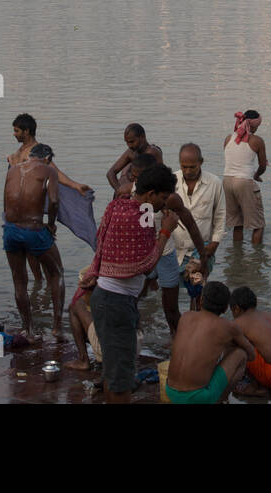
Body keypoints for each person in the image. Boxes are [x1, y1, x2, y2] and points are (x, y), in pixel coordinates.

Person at [78, 164, 178, 403]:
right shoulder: (141, 216)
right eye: (163, 198)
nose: (164, 204)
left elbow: (101, 245)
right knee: (121, 378)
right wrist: (165, 232)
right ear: (151, 194)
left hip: (106, 298)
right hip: (116, 302)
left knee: (113, 372)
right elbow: (146, 264)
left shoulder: (117, 205)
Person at [114, 151, 211, 334]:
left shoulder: (169, 199)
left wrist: (203, 256)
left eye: (139, 177)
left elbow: (190, 225)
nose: (136, 182)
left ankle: (179, 344)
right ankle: (138, 339)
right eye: (133, 177)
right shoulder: (125, 193)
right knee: (132, 302)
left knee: (171, 310)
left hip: (165, 255)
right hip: (140, 256)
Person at [7, 113, 92, 285]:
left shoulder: (37, 152)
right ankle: (40, 287)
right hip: (17, 212)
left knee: (41, 254)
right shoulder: (20, 151)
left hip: (32, 210)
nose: (14, 134)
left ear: (27, 131)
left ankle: (46, 291)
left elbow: (55, 172)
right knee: (29, 253)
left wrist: (75, 186)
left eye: (16, 131)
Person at [3, 143, 64, 341]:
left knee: (19, 281)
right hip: (33, 229)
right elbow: (54, 201)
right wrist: (51, 225)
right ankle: (57, 328)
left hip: (10, 230)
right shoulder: (48, 170)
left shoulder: (12, 170)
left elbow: (7, 201)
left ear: (30, 156)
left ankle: (28, 330)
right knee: (57, 274)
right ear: (47, 158)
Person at [164, 281, 255, 404]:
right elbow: (251, 354)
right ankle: (222, 400)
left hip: (170, 391)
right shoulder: (228, 327)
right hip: (198, 398)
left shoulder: (186, 316)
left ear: (201, 300)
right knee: (241, 354)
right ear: (225, 309)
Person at [172, 143, 226, 312]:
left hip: (201, 249)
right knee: (170, 290)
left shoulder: (214, 183)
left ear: (201, 162)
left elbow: (220, 216)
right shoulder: (171, 181)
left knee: (198, 291)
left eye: (192, 167)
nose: (188, 171)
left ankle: (197, 323)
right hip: (174, 249)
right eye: (184, 166)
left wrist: (214, 244)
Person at [222, 110, 268, 245]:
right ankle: (256, 259)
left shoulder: (228, 138)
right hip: (244, 182)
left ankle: (237, 257)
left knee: (237, 224)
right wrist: (257, 175)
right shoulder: (257, 141)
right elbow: (263, 165)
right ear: (254, 125)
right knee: (258, 225)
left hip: (227, 181)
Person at [64, 265, 102, 371]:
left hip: (108, 347)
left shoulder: (99, 289)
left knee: (75, 306)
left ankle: (83, 360)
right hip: (133, 345)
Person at [106, 123, 164, 191]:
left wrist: (127, 190)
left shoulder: (152, 152)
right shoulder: (132, 151)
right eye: (127, 142)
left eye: (132, 142)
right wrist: (119, 191)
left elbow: (149, 182)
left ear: (142, 137)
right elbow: (110, 173)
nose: (129, 145)